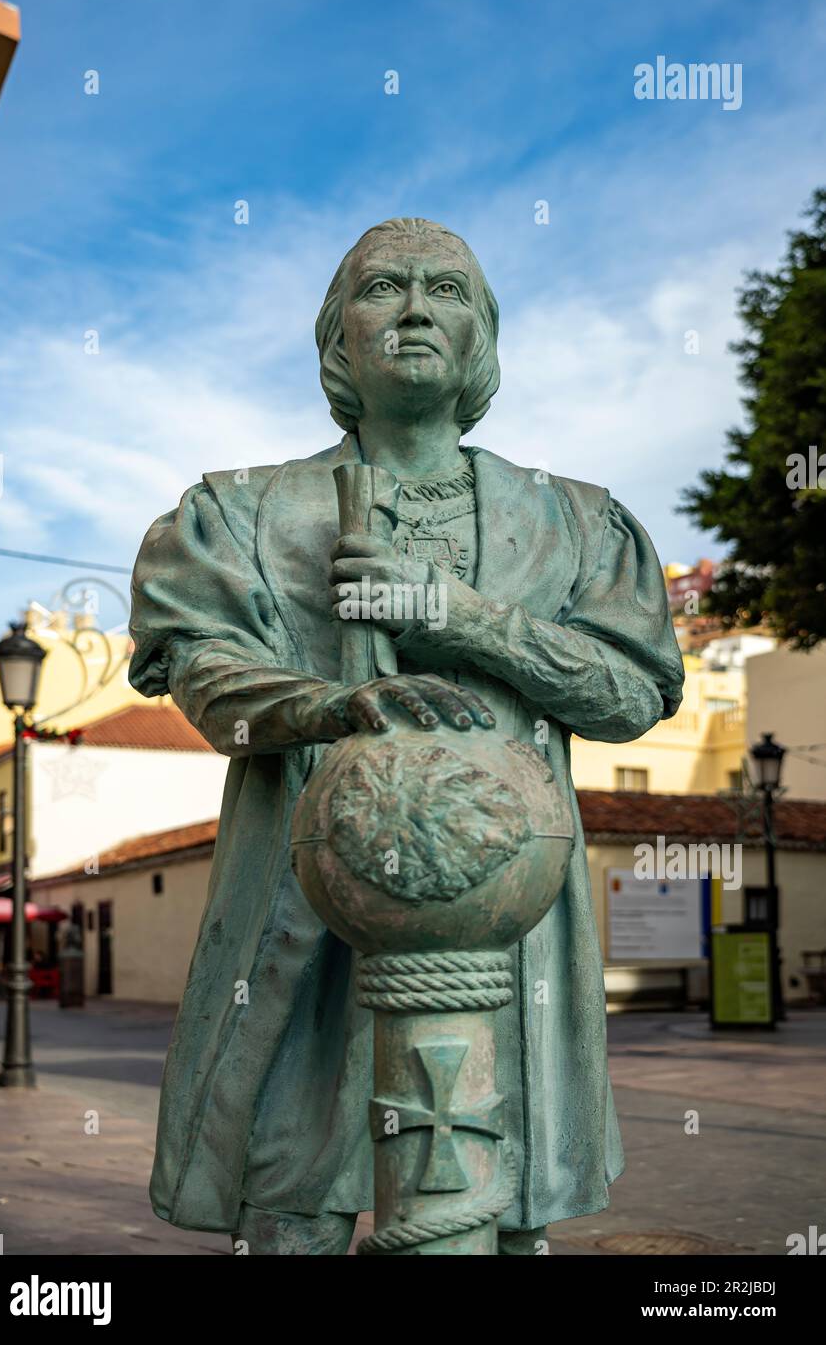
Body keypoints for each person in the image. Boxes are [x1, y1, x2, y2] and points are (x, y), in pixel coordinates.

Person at [129, 217, 685, 1254]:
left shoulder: (572, 521)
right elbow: (206, 679)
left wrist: (457, 615)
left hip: (503, 903)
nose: (418, 307)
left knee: (498, 1194)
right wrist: (332, 707)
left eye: (448, 290)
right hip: (302, 900)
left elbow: (630, 694)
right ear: (338, 337)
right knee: (287, 1196)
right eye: (384, 287)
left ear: (482, 339)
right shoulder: (238, 513)